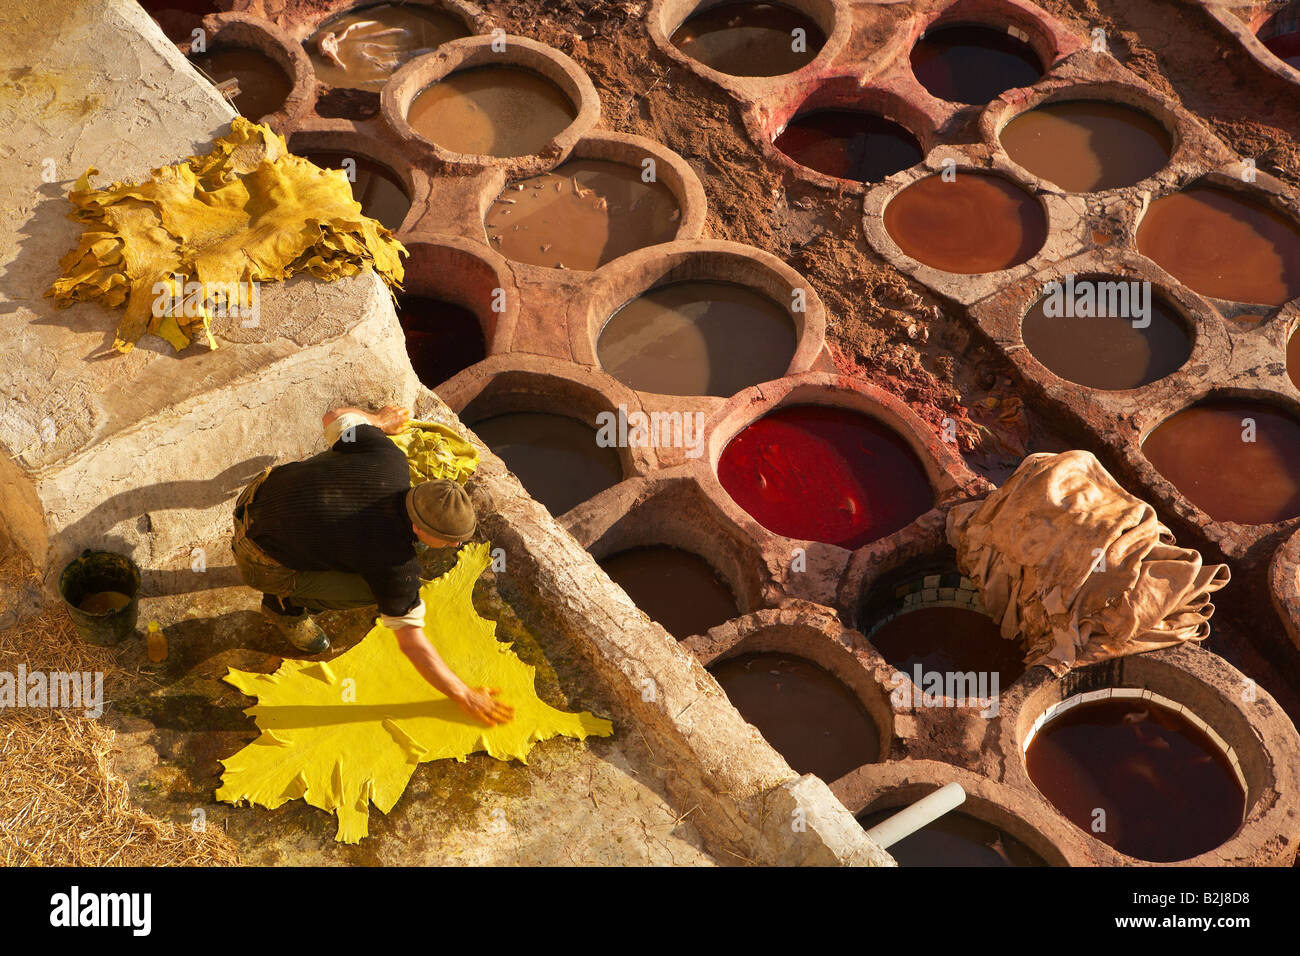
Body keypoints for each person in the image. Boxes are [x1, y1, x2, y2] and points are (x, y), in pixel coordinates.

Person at [230, 403, 514, 728]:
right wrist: (464, 695)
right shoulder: (395, 565)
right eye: (450, 539)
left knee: (342, 466)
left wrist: (378, 421)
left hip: (255, 497)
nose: (456, 545)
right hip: (258, 554)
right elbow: (412, 643)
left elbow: (333, 416)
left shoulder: (388, 456)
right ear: (420, 530)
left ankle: (303, 554)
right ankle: (285, 606)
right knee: (374, 593)